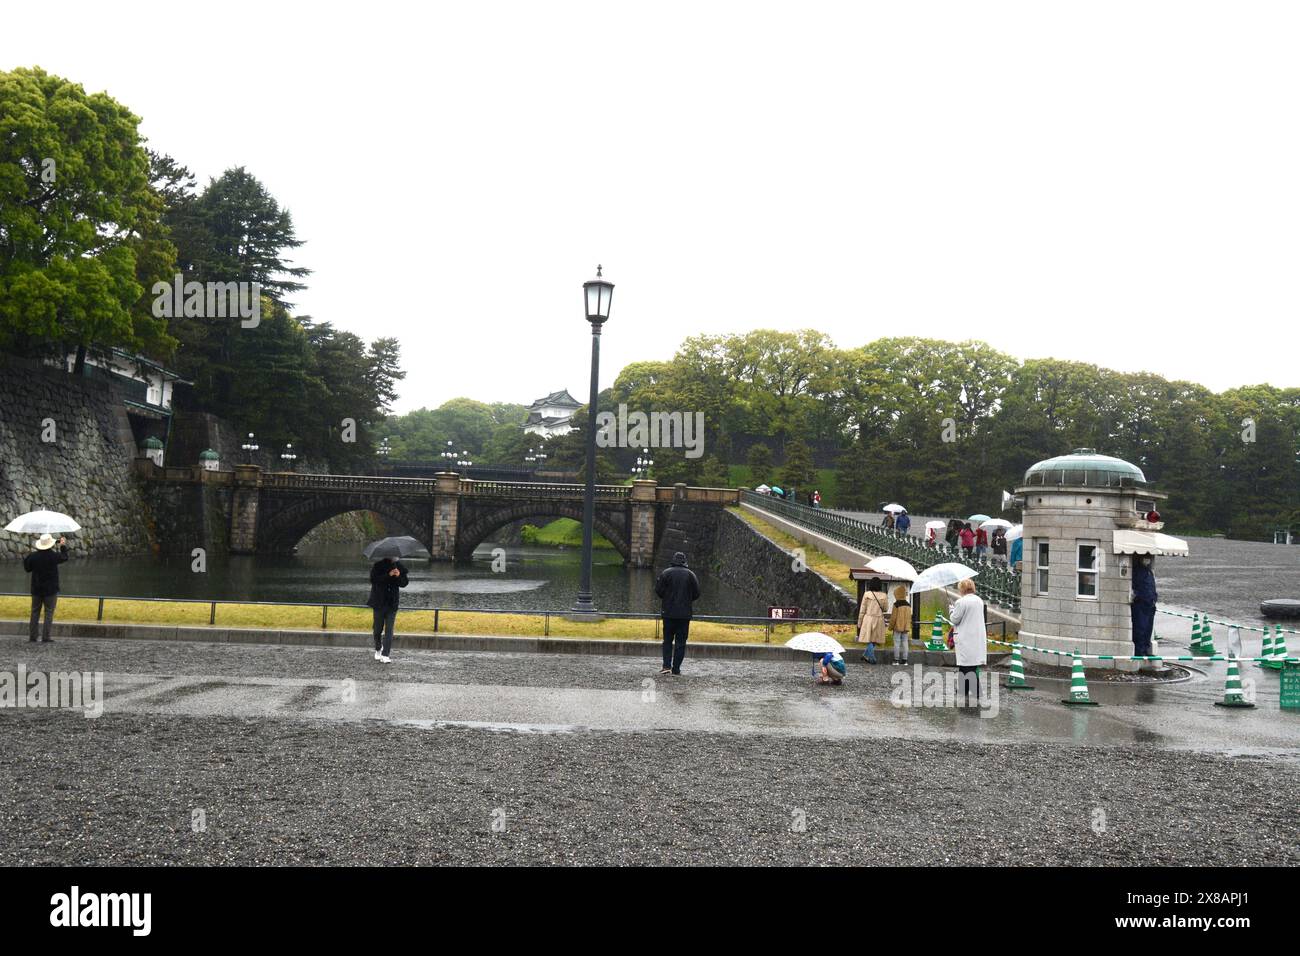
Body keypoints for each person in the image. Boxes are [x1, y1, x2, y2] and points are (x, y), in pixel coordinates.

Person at [656, 551, 700, 675]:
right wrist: (687, 600)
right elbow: (697, 593)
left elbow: (658, 591)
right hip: (684, 615)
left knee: (667, 641)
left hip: (668, 613)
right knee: (681, 642)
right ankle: (676, 669)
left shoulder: (666, 573)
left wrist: (667, 598)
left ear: (673, 560)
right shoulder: (691, 575)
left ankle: (666, 666)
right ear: (684, 562)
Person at [948, 578, 987, 706]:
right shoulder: (979, 600)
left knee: (967, 666)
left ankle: (976, 692)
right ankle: (962, 689)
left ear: (962, 589)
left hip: (965, 638)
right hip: (976, 638)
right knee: (968, 665)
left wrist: (951, 610)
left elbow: (955, 619)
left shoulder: (961, 602)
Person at [23, 533, 69, 643]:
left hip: (36, 589)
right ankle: (46, 637)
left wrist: (29, 556)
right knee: (49, 613)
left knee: (34, 612)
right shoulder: (54, 556)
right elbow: (64, 557)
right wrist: (62, 546)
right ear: (51, 544)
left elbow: (27, 568)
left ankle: (33, 637)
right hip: (51, 590)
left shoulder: (33, 556)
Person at [366, 556, 409, 663]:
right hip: (379, 602)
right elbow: (374, 580)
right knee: (377, 629)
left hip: (392, 603)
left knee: (389, 630)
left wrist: (398, 576)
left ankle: (386, 654)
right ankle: (378, 648)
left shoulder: (399, 567)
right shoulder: (378, 566)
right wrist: (388, 575)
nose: (394, 557)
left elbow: (404, 583)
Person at [1130, 555, 1158, 657]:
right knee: (1140, 628)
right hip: (1140, 605)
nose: (1147, 560)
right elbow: (1134, 587)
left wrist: (1154, 598)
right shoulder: (1137, 571)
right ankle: (1139, 651)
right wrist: (1139, 597)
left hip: (1150, 605)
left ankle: (1145, 649)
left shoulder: (1149, 572)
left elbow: (1152, 587)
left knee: (1148, 629)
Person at [856, 578, 889, 663]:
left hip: (868, 619)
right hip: (879, 619)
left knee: (870, 639)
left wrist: (859, 622)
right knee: (874, 639)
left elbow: (862, 609)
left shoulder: (867, 594)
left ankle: (867, 656)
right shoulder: (884, 595)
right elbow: (885, 609)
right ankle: (871, 658)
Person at [888, 585, 912, 665]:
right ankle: (905, 660)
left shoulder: (896, 604)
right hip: (906, 627)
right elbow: (909, 617)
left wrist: (890, 627)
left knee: (897, 643)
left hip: (897, 627)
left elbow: (893, 618)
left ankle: (896, 660)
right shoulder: (908, 605)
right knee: (905, 642)